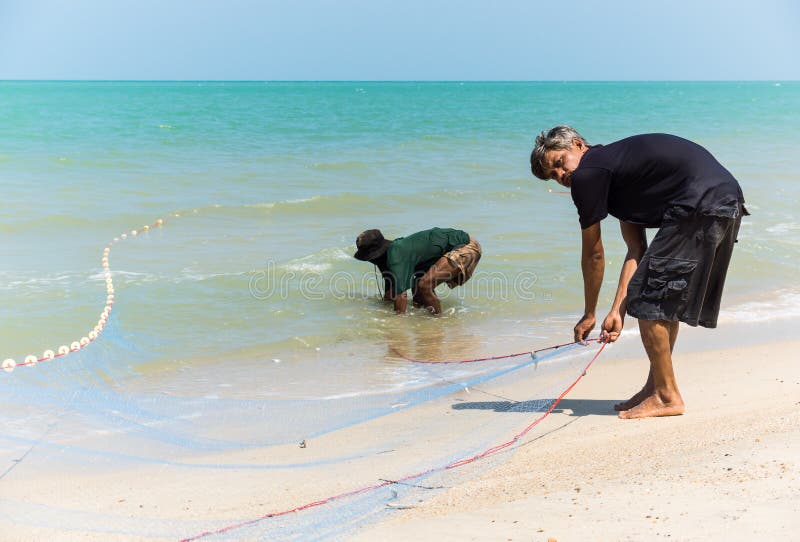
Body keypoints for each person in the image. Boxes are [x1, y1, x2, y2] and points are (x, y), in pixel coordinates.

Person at [530, 126, 747, 419]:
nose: (561, 176)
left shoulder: (589, 173)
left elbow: (593, 254)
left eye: (559, 163)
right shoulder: (616, 174)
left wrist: (590, 313)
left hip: (701, 203)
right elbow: (636, 251)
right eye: (552, 176)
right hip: (721, 201)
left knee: (648, 303)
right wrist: (616, 310)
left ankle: (667, 396)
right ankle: (656, 386)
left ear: (579, 144)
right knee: (659, 299)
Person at [353, 227, 481, 314]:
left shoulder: (396, 254)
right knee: (417, 298)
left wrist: (396, 328)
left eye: (369, 257)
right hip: (448, 248)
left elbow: (401, 295)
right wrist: (384, 313)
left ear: (376, 254)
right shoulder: (387, 259)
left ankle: (438, 324)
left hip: (466, 245)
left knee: (424, 285)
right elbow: (390, 292)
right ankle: (425, 327)